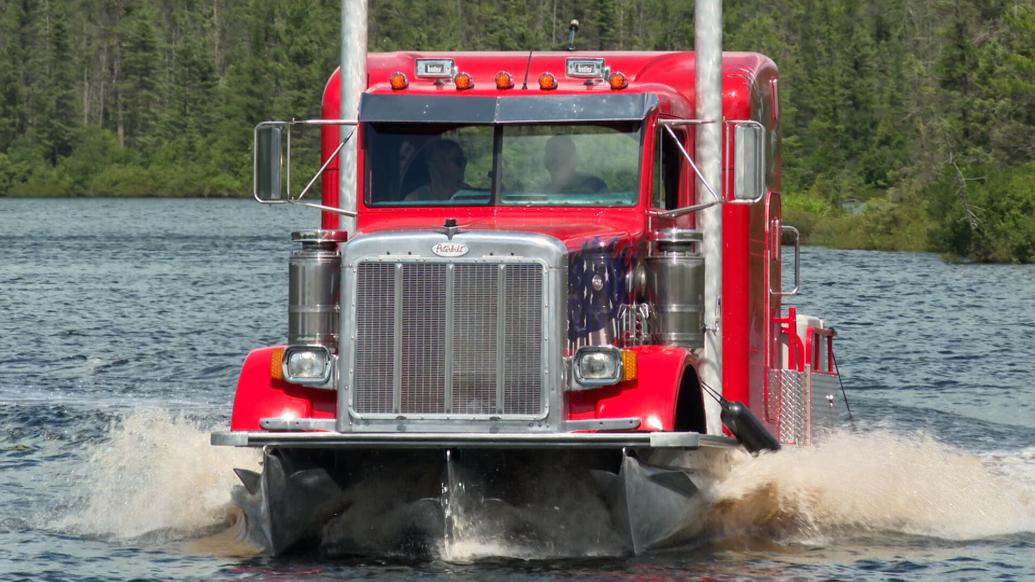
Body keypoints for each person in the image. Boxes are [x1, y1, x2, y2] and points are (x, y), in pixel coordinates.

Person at [405, 139, 471, 201]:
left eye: (464, 161)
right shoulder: (414, 200)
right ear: (439, 164)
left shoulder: (471, 195)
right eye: (458, 161)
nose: (463, 166)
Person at [542, 135, 607, 194]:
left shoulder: (593, 184)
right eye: (549, 152)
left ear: (573, 159)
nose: (554, 157)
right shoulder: (540, 191)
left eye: (560, 152)